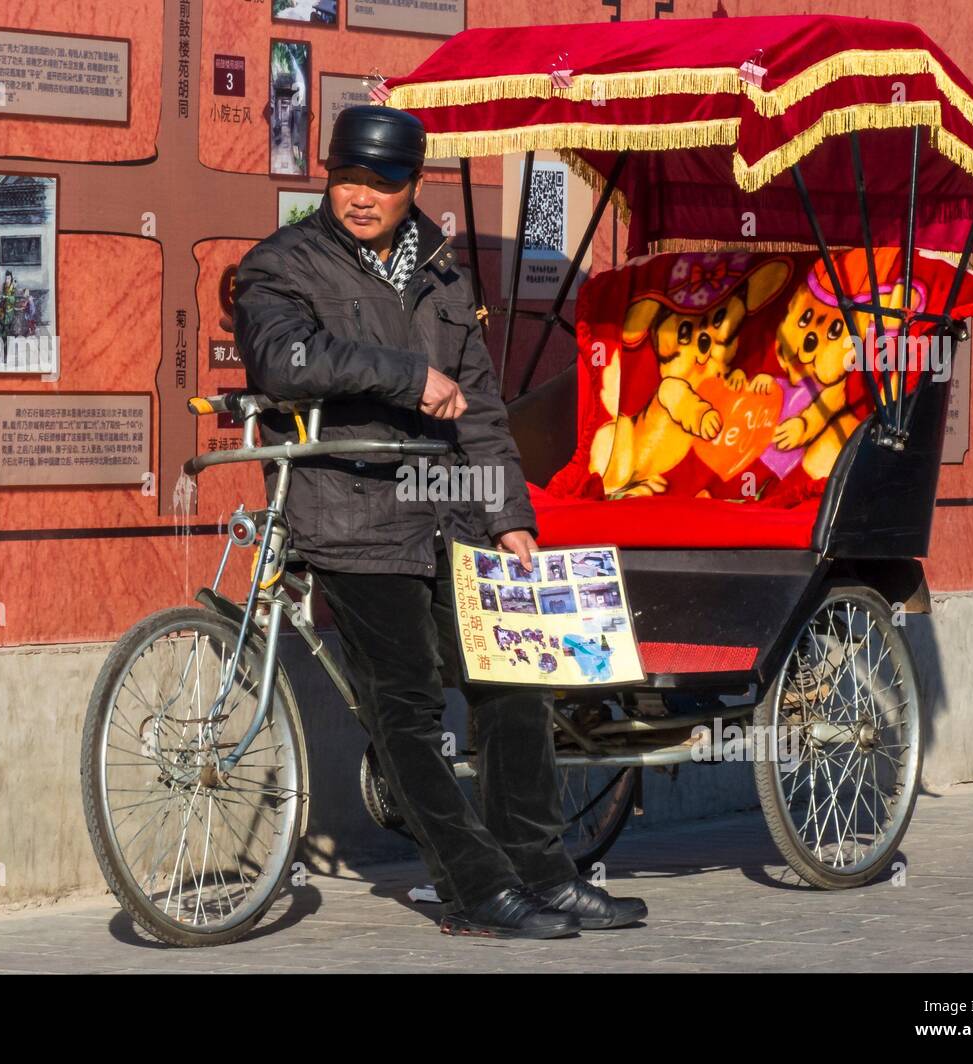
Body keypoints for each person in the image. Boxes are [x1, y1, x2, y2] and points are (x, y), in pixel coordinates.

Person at [235, 105, 646, 940]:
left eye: (381, 184)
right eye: (348, 178)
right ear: (328, 175)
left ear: (413, 185)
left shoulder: (441, 270)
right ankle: (471, 886)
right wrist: (405, 375)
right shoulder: (282, 264)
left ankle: (544, 874)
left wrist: (510, 519)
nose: (361, 197)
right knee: (408, 711)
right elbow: (282, 360)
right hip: (352, 518)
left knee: (515, 684)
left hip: (450, 516)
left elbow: (483, 410)